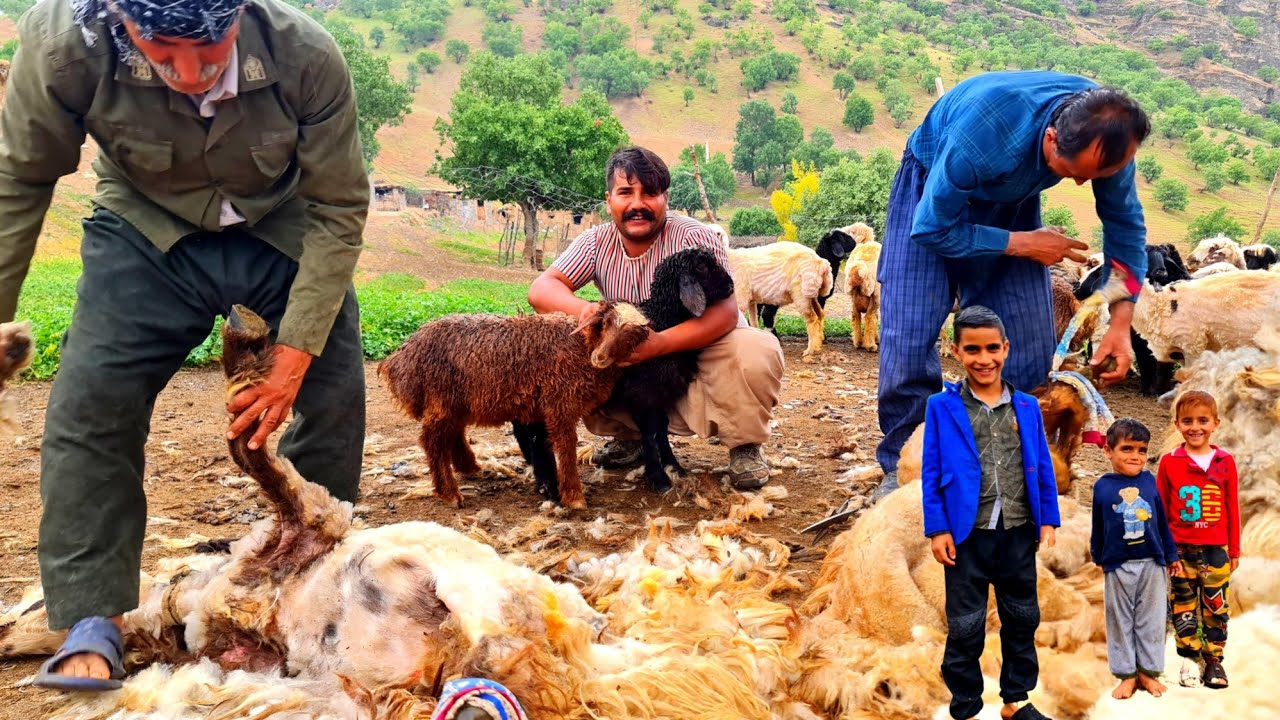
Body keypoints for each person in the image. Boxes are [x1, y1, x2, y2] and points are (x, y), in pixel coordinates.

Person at [0, 0, 369, 690]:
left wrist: (294, 355)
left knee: (333, 390)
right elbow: (19, 178)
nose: (192, 74)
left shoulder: (305, 55)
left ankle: (316, 584)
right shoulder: (61, 48)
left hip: (280, 229)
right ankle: (91, 617)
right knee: (91, 403)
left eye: (212, 48)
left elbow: (339, 207)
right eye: (162, 51)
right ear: (117, 19)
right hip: (144, 232)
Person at [876, 71, 1152, 500]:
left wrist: (1120, 325)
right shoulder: (981, 135)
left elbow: (1125, 227)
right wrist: (1024, 243)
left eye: (1093, 176)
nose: (1081, 183)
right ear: (1051, 140)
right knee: (910, 330)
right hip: (931, 193)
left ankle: (1007, 460)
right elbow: (931, 229)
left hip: (1012, 200)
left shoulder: (1108, 139)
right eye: (1073, 172)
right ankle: (904, 465)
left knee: (1026, 339)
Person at [527, 146, 784, 489]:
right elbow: (542, 289)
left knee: (755, 350)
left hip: (698, 346)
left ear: (665, 198)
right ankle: (629, 437)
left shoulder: (694, 237)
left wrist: (660, 344)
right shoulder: (595, 242)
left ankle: (745, 444)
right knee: (574, 352)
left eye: (649, 193)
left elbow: (725, 312)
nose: (637, 204)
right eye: (625, 193)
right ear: (609, 200)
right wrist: (584, 310)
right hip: (636, 352)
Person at [921, 305, 1060, 720]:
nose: (985, 359)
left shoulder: (1027, 406)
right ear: (955, 351)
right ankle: (965, 704)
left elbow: (1041, 463)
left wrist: (1048, 517)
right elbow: (931, 472)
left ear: (1006, 348)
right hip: (967, 534)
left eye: (993, 349)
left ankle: (1016, 698)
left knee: (1022, 615)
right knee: (965, 624)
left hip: (1018, 528)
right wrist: (938, 528)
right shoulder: (941, 407)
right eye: (973, 350)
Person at [1090, 418, 1179, 700]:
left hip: (1152, 562)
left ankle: (1148, 673)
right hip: (1117, 564)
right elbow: (1098, 524)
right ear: (1108, 451)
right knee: (1120, 619)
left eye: (1142, 450)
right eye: (1127, 449)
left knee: (1152, 619)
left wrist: (1170, 554)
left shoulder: (1149, 482)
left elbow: (1162, 522)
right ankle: (1126, 674)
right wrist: (1098, 554)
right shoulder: (1102, 486)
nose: (1135, 457)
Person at [1156, 390, 1240, 690]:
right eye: (1187, 421)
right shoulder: (1170, 462)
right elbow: (1161, 508)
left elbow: (1232, 507)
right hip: (1180, 549)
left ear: (1215, 423)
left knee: (1216, 604)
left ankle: (1214, 660)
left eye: (1203, 420)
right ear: (1177, 424)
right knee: (1183, 603)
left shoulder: (1225, 462)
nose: (1195, 427)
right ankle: (1189, 657)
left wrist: (1235, 548)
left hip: (1216, 549)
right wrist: (1167, 551)